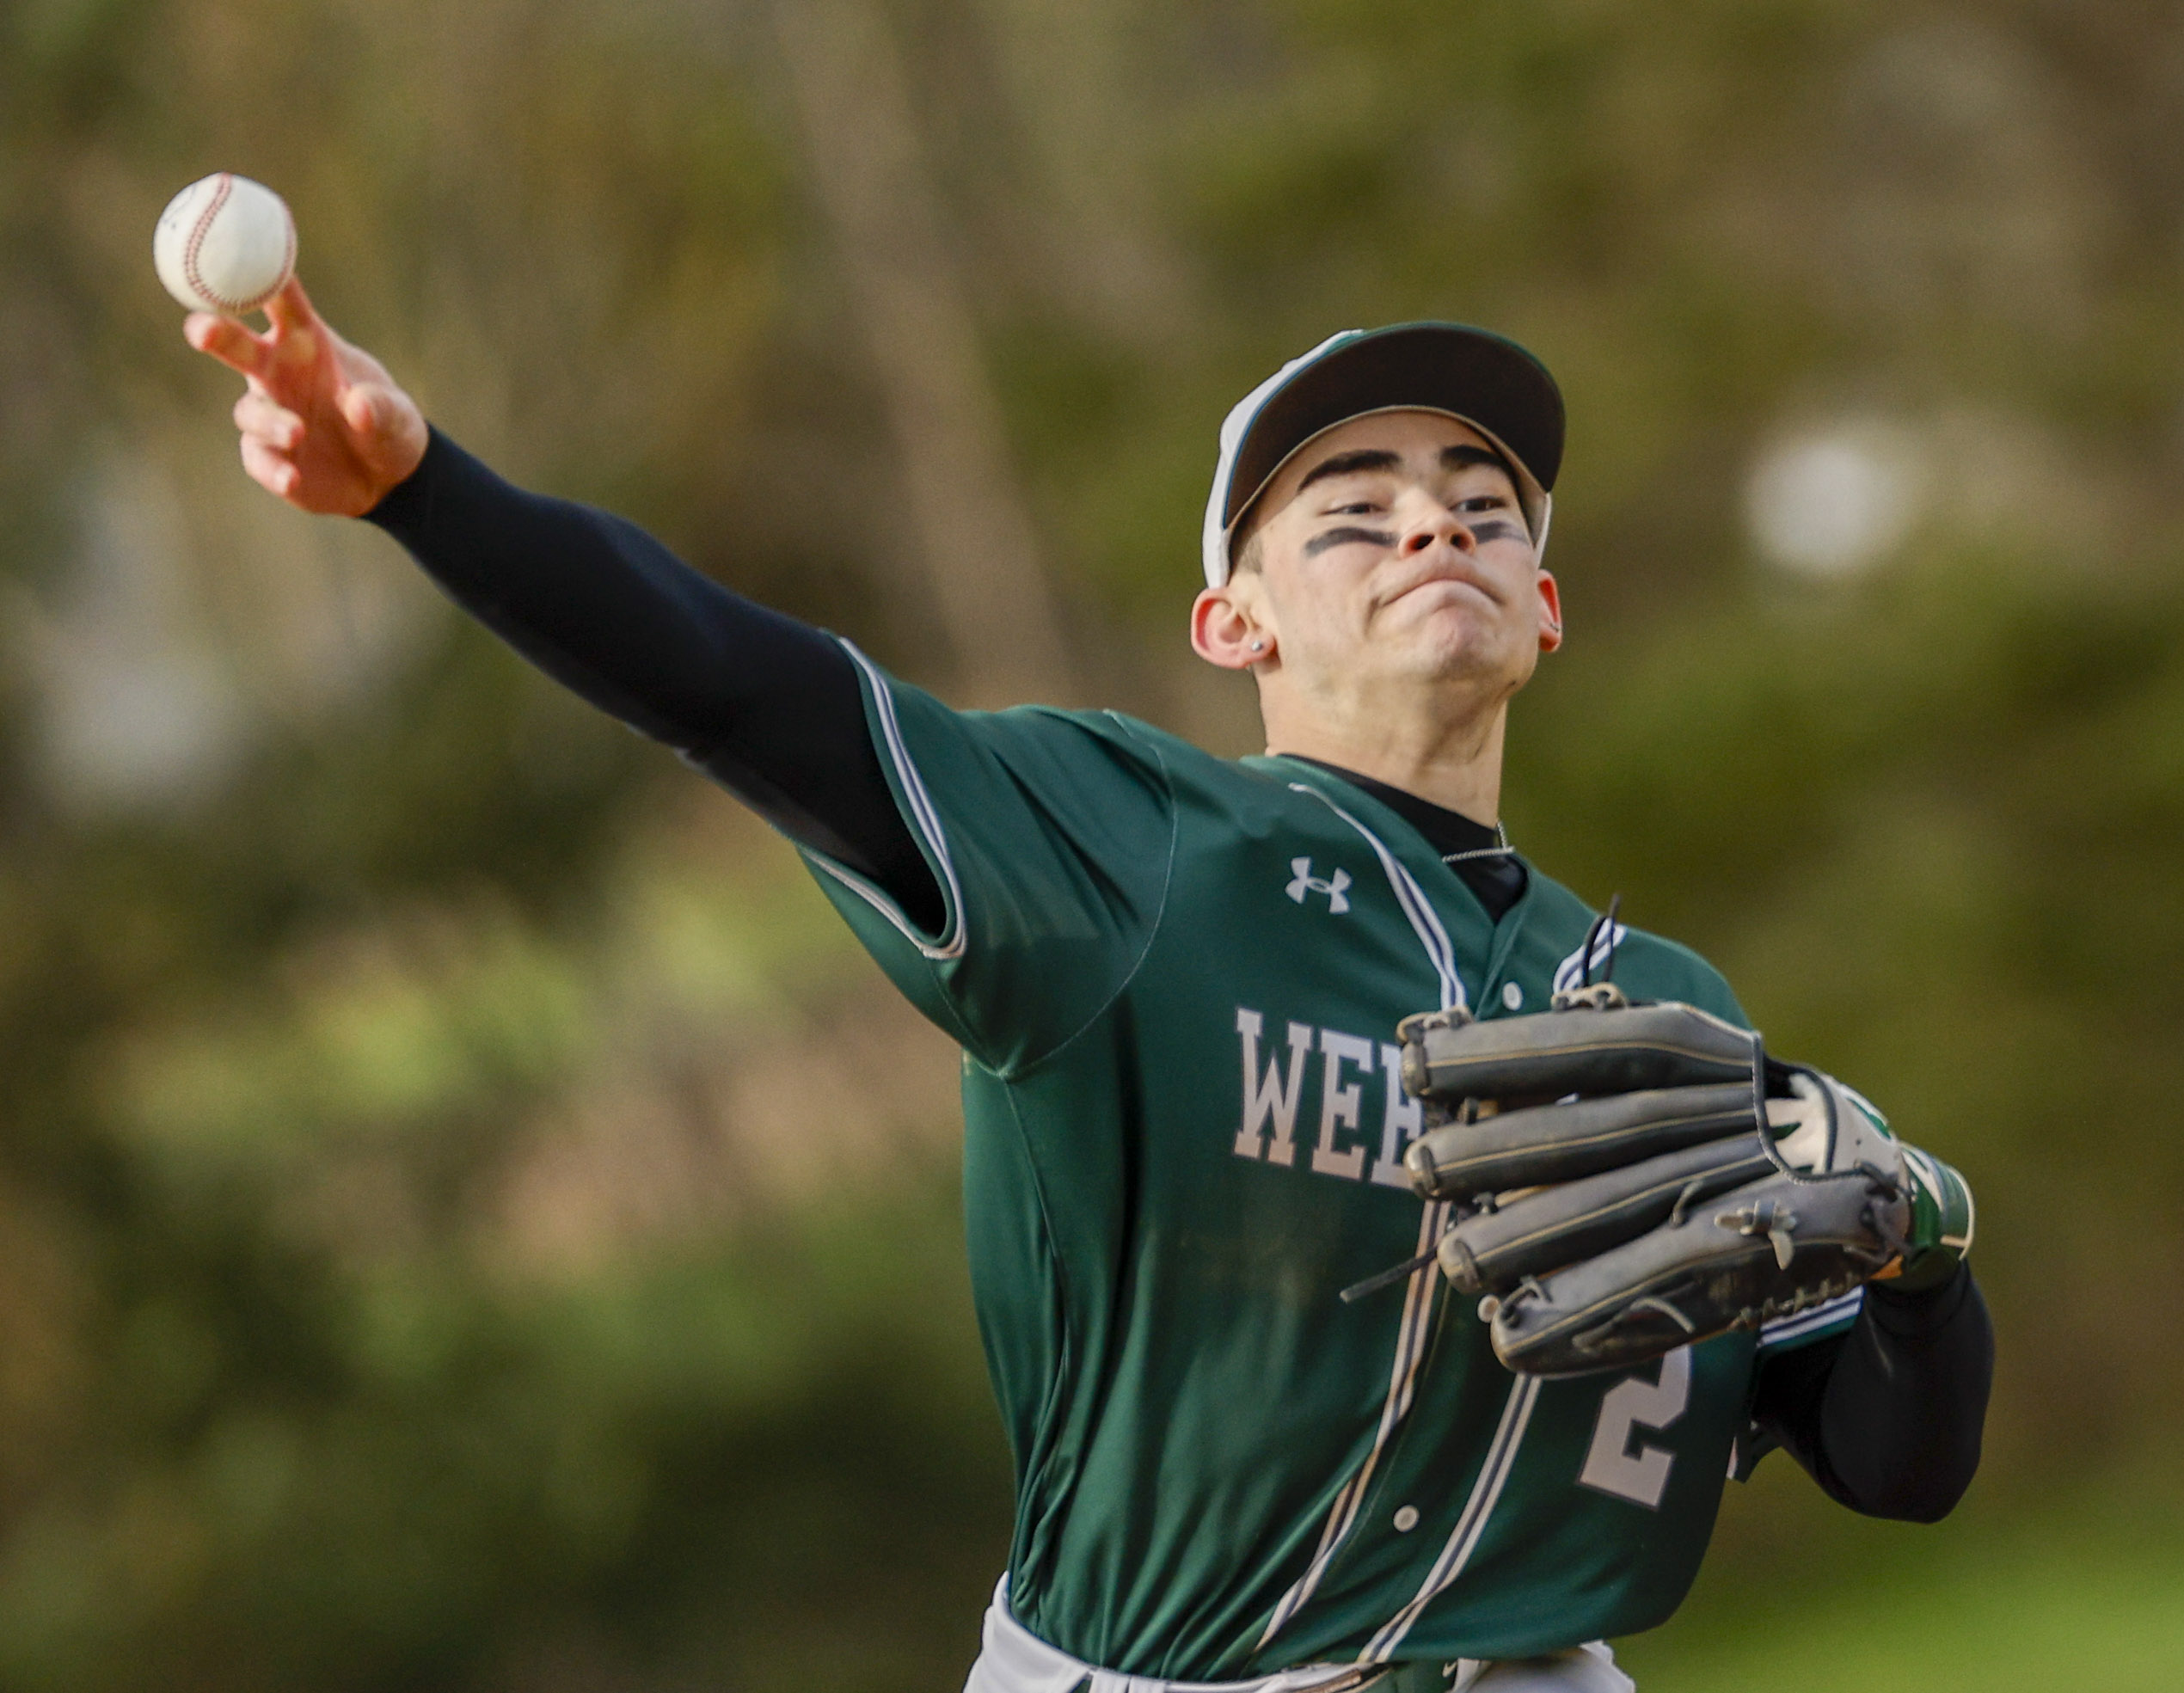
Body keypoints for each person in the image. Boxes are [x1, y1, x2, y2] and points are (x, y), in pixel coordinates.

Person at [187, 289, 1993, 1693]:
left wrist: (1912, 1254)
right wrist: (431, 494)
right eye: (1350, 515)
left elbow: (1894, 1467)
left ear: (1545, 607)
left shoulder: (1654, 1008)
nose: (1436, 528)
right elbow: (740, 689)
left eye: (1484, 506)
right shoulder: (1124, 844)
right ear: (1235, 625)